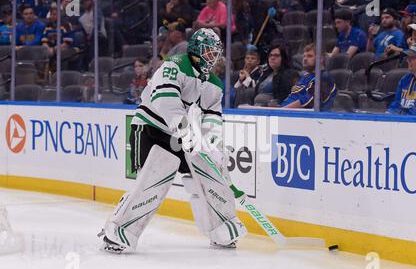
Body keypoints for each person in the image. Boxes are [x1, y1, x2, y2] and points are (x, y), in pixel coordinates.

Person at [98, 28, 247, 253]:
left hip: (179, 133)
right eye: (208, 51)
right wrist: (188, 135)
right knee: (153, 179)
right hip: (150, 128)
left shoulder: (212, 81)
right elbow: (166, 103)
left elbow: (212, 115)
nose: (212, 57)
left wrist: (211, 142)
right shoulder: (174, 65)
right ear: (195, 50)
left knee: (211, 171)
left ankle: (222, 230)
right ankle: (118, 231)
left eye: (215, 52)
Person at [278, 43, 337, 111]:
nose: (305, 59)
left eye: (309, 56)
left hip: (303, 117)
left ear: (320, 59)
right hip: (285, 112)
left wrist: (281, 110)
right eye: (304, 56)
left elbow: (308, 101)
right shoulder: (305, 76)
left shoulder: (324, 78)